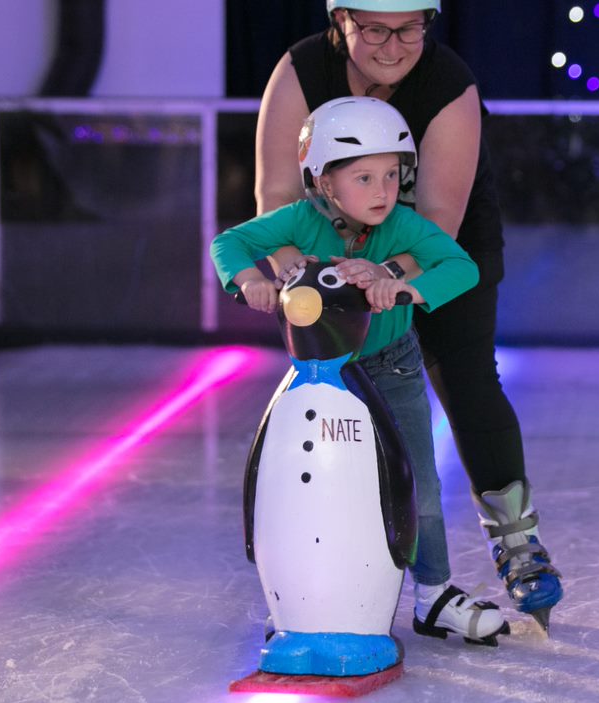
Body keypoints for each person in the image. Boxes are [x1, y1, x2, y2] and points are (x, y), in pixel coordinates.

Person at [253, 0, 563, 629]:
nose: (393, 45)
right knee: (337, 390)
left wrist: (385, 275)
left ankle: (516, 539)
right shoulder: (301, 70)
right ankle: (332, 559)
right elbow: (275, 198)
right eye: (372, 28)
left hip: (434, 239)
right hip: (332, 245)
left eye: (411, 26)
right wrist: (308, 278)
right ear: (340, 24)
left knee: (465, 376)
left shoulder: (449, 85)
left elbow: (438, 222)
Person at [213, 96, 510, 645]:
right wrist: (248, 281)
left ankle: (433, 594)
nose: (382, 191)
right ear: (324, 184)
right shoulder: (300, 220)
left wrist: (407, 287)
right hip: (321, 372)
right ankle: (302, 594)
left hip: (393, 368)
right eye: (365, 177)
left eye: (393, 176)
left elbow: (461, 265)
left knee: (416, 480)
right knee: (312, 483)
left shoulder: (403, 225)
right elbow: (230, 242)